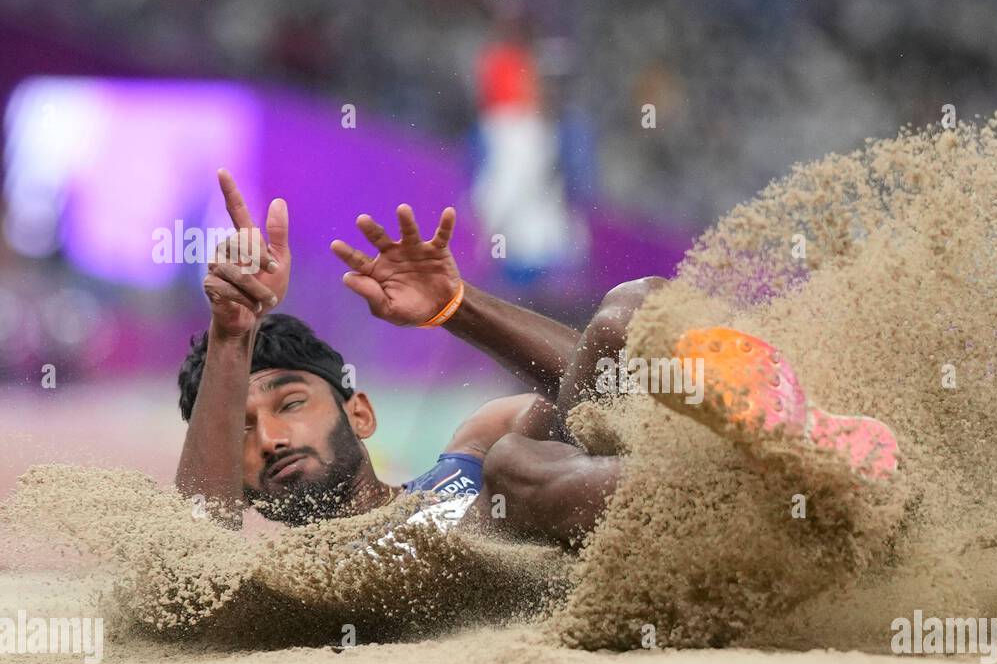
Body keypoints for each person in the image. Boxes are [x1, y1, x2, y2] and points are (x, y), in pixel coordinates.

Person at [176, 169, 898, 544]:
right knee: (517, 468)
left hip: (639, 509)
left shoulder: (472, 447)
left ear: (359, 413)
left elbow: (604, 382)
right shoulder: (295, 586)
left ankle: (794, 439)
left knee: (623, 316)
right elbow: (185, 569)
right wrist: (233, 334)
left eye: (289, 402)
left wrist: (457, 309)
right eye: (239, 430)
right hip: (675, 542)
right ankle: (779, 489)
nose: (271, 438)